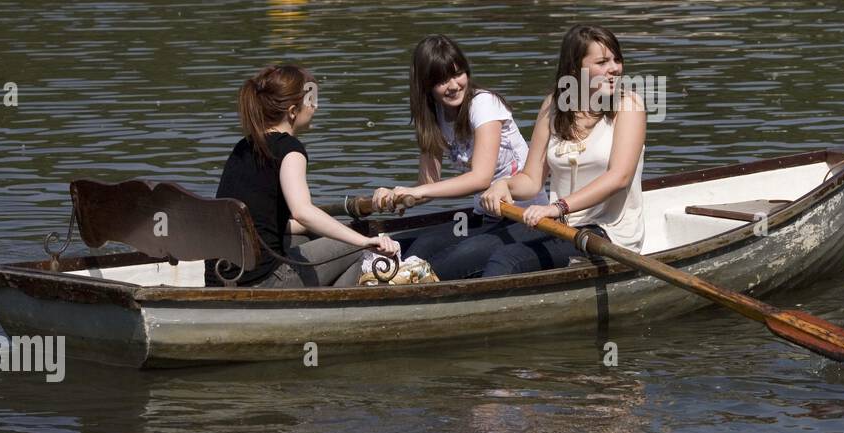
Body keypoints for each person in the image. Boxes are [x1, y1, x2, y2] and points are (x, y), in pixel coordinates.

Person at [438, 24, 647, 279]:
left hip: (608, 231)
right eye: (602, 62)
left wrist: (558, 207)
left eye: (617, 59)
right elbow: (531, 180)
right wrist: (504, 185)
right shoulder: (553, 106)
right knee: (468, 252)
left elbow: (619, 177)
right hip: (560, 223)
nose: (614, 68)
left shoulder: (629, 106)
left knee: (508, 259)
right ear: (575, 69)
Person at [205, 63, 398, 287]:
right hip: (264, 281)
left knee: (308, 236)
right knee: (355, 244)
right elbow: (302, 212)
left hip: (220, 278)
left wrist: (315, 227)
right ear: (293, 111)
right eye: (310, 101)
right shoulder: (290, 149)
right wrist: (366, 240)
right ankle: (331, 308)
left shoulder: (243, 146)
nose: (315, 107)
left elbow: (261, 221)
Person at [368, 34, 538, 272]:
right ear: (426, 85)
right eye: (442, 80)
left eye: (458, 74)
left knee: (443, 264)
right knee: (419, 248)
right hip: (487, 216)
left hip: (525, 215)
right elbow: (427, 187)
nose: (454, 85)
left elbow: (481, 178)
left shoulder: (483, 104)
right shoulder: (432, 116)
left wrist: (416, 191)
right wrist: (394, 195)